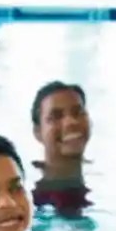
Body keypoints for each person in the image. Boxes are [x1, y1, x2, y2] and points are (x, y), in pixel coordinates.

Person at [29, 81, 92, 215]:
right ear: (38, 132)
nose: (71, 122)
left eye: (78, 112)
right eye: (56, 117)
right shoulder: (35, 204)